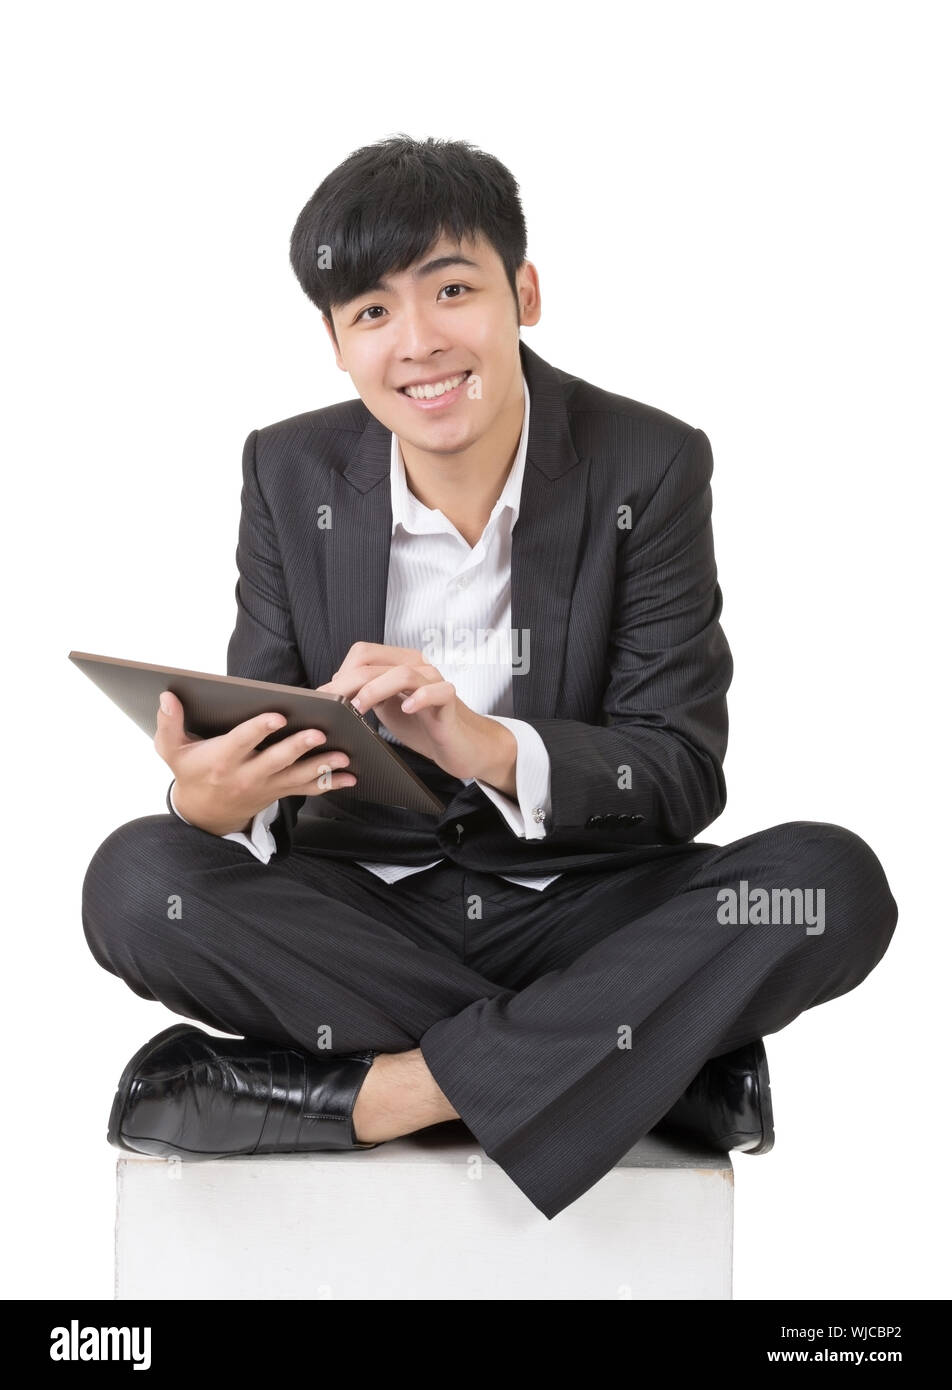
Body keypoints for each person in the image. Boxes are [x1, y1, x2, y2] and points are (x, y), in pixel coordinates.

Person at [81, 134, 898, 1222]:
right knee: (137, 881)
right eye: (370, 311)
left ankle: (369, 1096)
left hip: (579, 904)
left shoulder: (646, 465)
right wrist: (214, 801)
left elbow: (681, 772)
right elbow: (264, 724)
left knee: (824, 883)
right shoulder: (287, 471)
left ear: (523, 291)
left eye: (451, 290)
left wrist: (488, 745)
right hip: (365, 909)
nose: (417, 343)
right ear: (335, 343)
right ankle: (652, 1070)